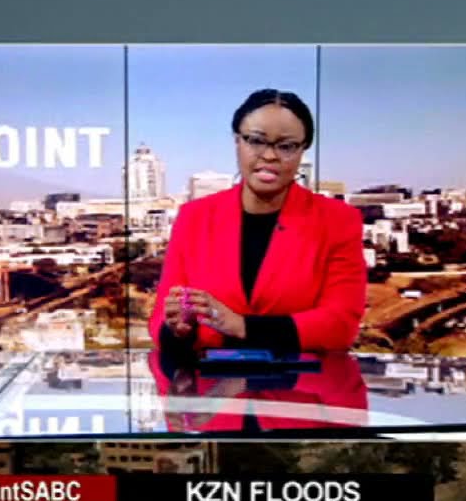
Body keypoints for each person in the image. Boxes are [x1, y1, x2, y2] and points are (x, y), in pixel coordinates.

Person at [147, 88, 368, 432]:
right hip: (212, 411)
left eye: (286, 146)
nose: (269, 156)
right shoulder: (194, 217)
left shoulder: (338, 220)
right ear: (237, 141)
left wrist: (243, 326)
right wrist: (177, 328)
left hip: (305, 416)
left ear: (302, 150)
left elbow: (340, 325)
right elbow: (162, 317)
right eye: (256, 141)